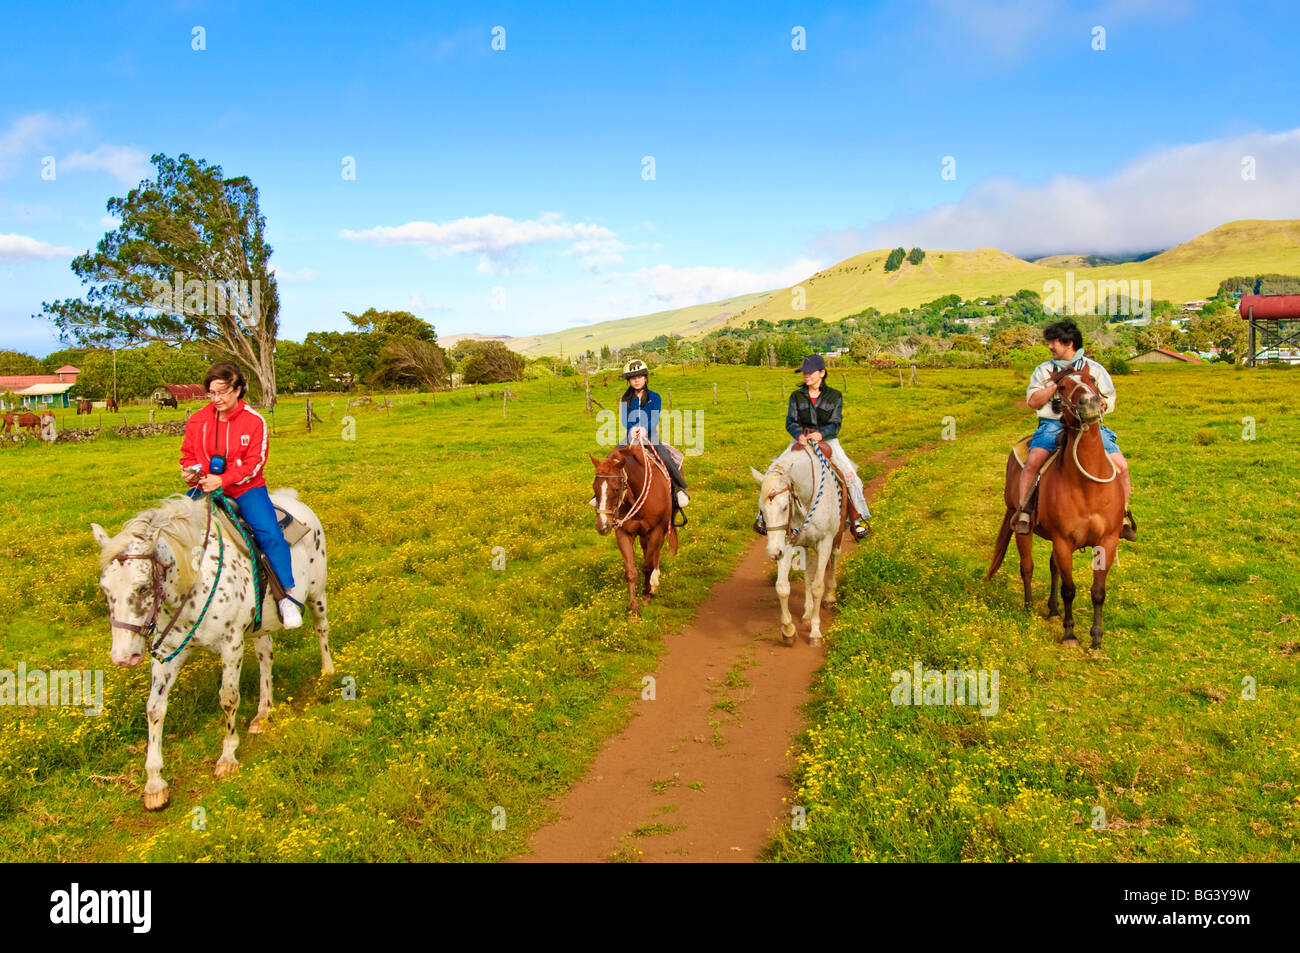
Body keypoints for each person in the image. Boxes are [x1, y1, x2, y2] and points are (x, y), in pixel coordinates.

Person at [179, 361, 303, 629]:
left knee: (270, 533)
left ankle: (287, 597)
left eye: (222, 392)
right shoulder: (198, 420)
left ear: (238, 390)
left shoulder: (255, 421)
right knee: (174, 527)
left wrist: (223, 480)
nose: (216, 399)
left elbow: (255, 463)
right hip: (203, 486)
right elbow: (188, 454)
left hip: (246, 489)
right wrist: (189, 471)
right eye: (212, 393)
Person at [1014, 319, 1137, 540]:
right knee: (1033, 462)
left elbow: (1109, 400)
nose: (1050, 346)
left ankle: (1123, 515)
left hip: (1088, 426)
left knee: (1122, 466)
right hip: (1053, 424)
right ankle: (1024, 511)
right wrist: (1056, 385)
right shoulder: (1044, 370)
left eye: (1054, 342)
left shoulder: (1095, 370)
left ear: (1069, 343)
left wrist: (1096, 405)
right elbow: (1033, 402)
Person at [754, 353, 871, 540]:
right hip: (800, 440)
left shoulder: (834, 396)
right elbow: (790, 421)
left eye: (810, 372)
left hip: (828, 441)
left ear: (822, 373)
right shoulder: (796, 396)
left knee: (851, 477)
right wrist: (799, 435)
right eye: (804, 373)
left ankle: (857, 519)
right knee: (771, 474)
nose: (806, 375)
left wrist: (821, 434)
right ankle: (762, 517)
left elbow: (836, 423)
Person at [588, 359, 690, 515]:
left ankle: (679, 489)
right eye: (633, 378)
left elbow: (655, 418)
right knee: (610, 458)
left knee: (665, 457)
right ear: (629, 381)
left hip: (650, 435)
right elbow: (624, 420)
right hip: (630, 436)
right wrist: (632, 430)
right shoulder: (625, 399)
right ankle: (598, 495)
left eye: (639, 377)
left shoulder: (655, 397)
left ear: (645, 378)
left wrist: (644, 429)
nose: (636, 380)